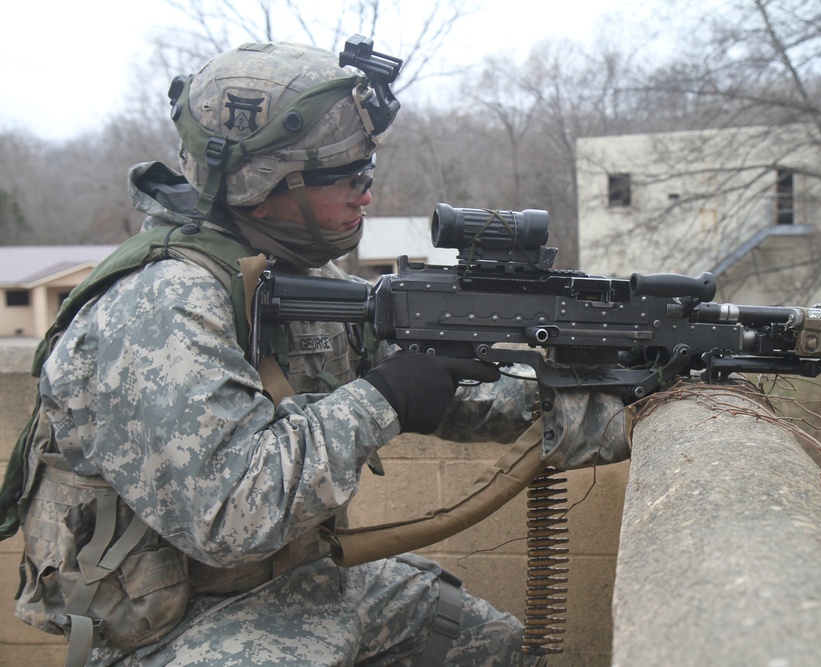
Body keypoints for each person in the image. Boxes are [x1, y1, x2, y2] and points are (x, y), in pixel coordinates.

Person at [11, 40, 577, 666]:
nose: (367, 195)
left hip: (294, 583)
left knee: (485, 642)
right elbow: (231, 513)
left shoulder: (294, 274)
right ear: (263, 186)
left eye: (369, 174)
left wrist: (606, 395)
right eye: (350, 179)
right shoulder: (158, 307)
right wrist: (384, 398)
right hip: (173, 627)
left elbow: (442, 384)